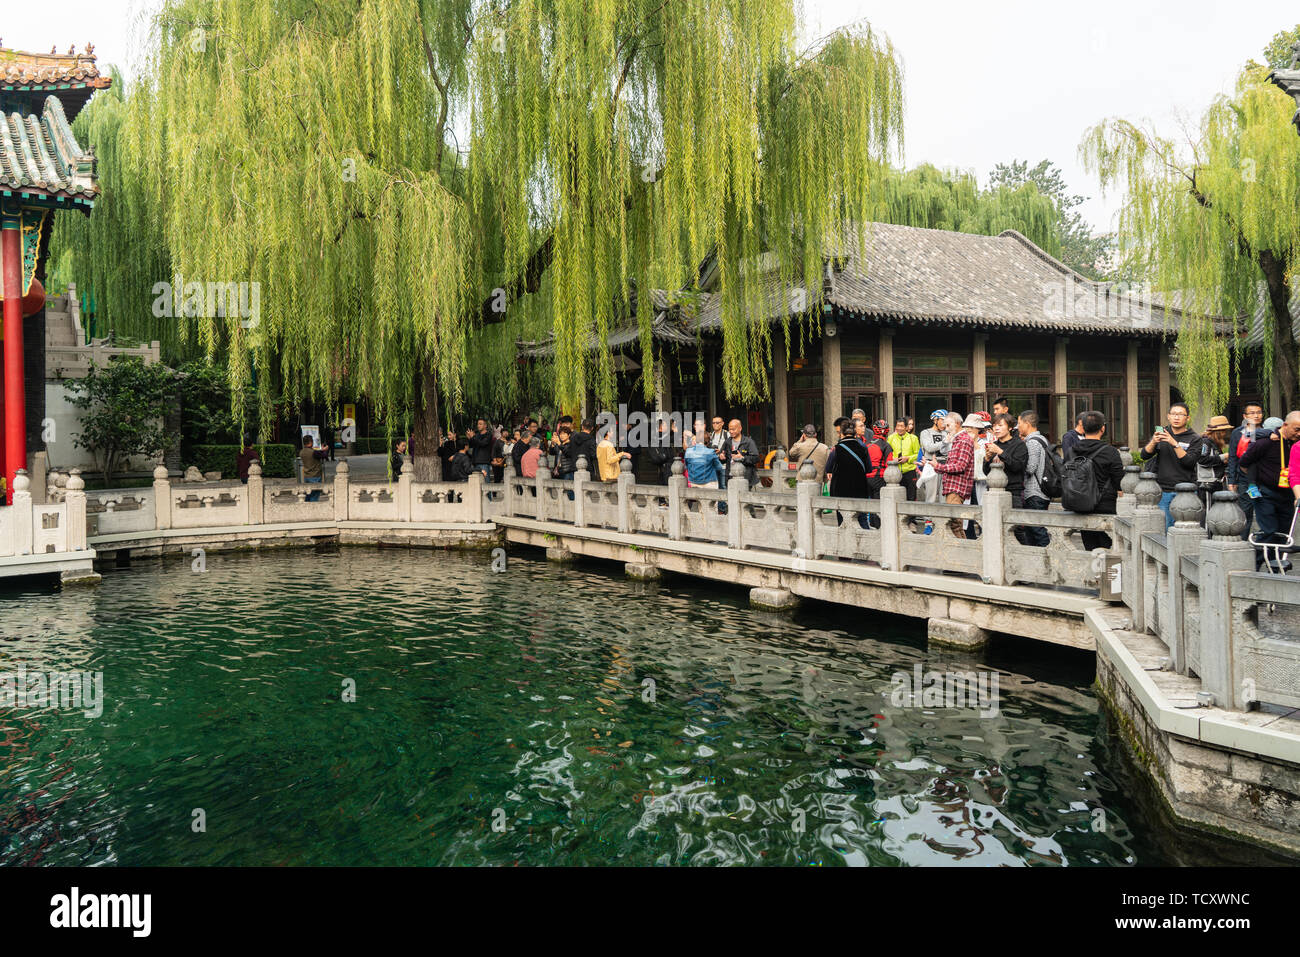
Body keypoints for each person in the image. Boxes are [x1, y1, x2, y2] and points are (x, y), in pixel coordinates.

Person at [1240, 412, 1300, 560]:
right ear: (1285, 425)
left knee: (1284, 533)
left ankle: (1276, 567)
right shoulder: (1265, 441)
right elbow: (1244, 463)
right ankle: (1254, 563)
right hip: (1265, 493)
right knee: (1270, 530)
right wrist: (1254, 482)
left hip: (1286, 494)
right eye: (1296, 429)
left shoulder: (1294, 443)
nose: (1299, 433)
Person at [1072, 410, 1126, 552]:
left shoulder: (1073, 450)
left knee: (1090, 549)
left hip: (1080, 504)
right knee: (1107, 551)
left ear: (1083, 427)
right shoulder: (1110, 452)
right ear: (1103, 428)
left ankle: (1093, 574)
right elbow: (1120, 481)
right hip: (1105, 506)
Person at [1139, 402, 1199, 528]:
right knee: (1164, 528)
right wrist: (1154, 442)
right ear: (1168, 416)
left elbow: (1189, 462)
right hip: (1163, 490)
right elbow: (1144, 455)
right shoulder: (1162, 434)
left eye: (1180, 414)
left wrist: (1174, 443)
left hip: (1185, 491)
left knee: (1184, 528)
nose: (1176, 417)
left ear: (1187, 418)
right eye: (1173, 414)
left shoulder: (1194, 438)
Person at [932, 413, 979, 537]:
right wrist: (936, 466)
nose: (946, 428)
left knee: (954, 523)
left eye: (948, 425)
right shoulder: (958, 440)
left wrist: (939, 467)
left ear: (957, 424)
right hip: (953, 486)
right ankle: (962, 551)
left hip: (957, 487)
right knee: (955, 524)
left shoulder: (963, 440)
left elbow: (960, 466)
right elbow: (954, 464)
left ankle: (962, 552)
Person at [1227, 403, 1264, 541]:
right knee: (1245, 511)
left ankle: (1264, 541)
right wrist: (1232, 480)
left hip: (1264, 477)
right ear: (1245, 416)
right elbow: (1232, 457)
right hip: (1244, 478)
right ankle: (1243, 542)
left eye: (1259, 412)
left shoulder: (1268, 432)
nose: (1256, 415)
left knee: (1265, 512)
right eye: (1252, 413)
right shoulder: (1238, 433)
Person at [829, 419, 874, 529]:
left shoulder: (836, 449)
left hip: (840, 490)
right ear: (855, 433)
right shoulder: (863, 448)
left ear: (842, 434)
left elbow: (828, 468)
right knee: (862, 519)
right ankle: (864, 543)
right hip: (859, 489)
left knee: (842, 519)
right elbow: (869, 469)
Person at [1016, 410, 1051, 547]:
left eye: (1019, 423)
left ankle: (1048, 561)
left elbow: (1030, 468)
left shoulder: (1033, 442)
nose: (1018, 427)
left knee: (1037, 530)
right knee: (1032, 530)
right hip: (1040, 491)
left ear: (1027, 423)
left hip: (1035, 492)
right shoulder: (1042, 439)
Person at [1195, 415, 1232, 503]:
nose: (1225, 433)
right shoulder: (1205, 442)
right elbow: (1202, 460)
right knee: (1209, 512)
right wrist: (1225, 456)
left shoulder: (1215, 443)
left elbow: (1215, 460)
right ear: (1217, 432)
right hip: (1207, 484)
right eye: (1223, 431)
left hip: (1216, 482)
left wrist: (1224, 461)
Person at [919, 409, 951, 503]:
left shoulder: (946, 433)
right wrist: (944, 442)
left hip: (945, 465)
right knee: (930, 495)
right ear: (935, 420)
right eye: (942, 420)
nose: (944, 424)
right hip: (931, 465)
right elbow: (929, 448)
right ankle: (927, 517)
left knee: (944, 495)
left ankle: (942, 517)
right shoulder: (925, 432)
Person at [720, 419, 761, 487]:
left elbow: (756, 458)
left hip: (746, 478)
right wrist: (721, 457)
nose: (731, 431)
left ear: (740, 428)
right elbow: (723, 458)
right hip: (730, 477)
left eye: (733, 429)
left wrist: (742, 458)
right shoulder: (727, 442)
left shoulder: (748, 442)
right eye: (730, 429)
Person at [886, 418, 920, 500]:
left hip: (909, 471)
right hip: (895, 471)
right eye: (897, 426)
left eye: (901, 426)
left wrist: (908, 458)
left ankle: (910, 513)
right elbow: (887, 454)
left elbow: (918, 455)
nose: (899, 428)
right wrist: (893, 459)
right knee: (896, 498)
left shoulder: (913, 438)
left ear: (906, 427)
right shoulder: (891, 438)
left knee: (911, 497)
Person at [300, 434, 327, 501]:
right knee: (314, 496)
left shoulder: (302, 452)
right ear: (311, 442)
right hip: (315, 476)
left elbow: (316, 453)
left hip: (306, 476)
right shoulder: (313, 452)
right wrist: (325, 450)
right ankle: (313, 509)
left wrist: (321, 450)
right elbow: (324, 455)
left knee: (308, 495)